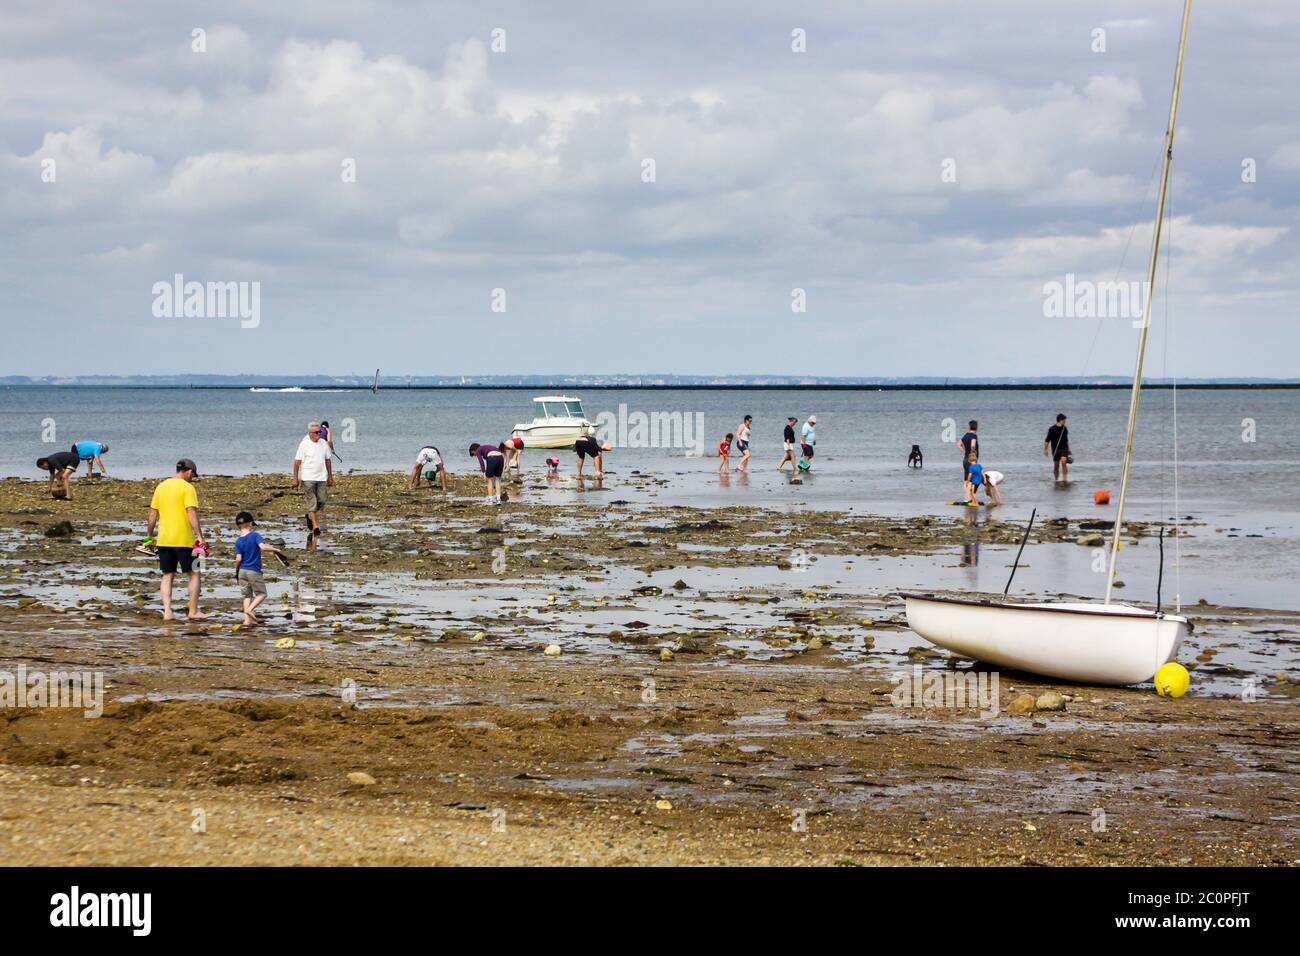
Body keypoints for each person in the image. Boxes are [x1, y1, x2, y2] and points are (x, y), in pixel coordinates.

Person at [146, 459, 207, 620]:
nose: (192, 477)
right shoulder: (188, 488)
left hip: (164, 540)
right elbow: (191, 512)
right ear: (189, 471)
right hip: (185, 540)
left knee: (167, 575)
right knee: (194, 573)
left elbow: (153, 514)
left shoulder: (161, 486)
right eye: (192, 474)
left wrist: (149, 535)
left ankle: (167, 612)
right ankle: (193, 611)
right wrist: (199, 536)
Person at [232, 511, 287, 626]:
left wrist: (236, 572)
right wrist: (275, 549)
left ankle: (247, 621)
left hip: (242, 571)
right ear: (250, 523)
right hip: (253, 570)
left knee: (247, 595)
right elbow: (262, 547)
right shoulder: (255, 536)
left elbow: (238, 558)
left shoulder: (238, 541)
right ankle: (249, 610)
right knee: (262, 594)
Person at [293, 422, 333, 550]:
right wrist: (295, 479)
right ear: (310, 434)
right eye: (316, 433)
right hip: (308, 478)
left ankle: (309, 515)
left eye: (320, 432)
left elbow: (328, 460)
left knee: (321, 501)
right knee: (312, 503)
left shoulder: (323, 444)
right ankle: (315, 527)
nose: (319, 434)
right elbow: (297, 462)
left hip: (321, 477)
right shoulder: (304, 444)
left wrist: (330, 476)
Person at [1044, 413, 1071, 481]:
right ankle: (1056, 480)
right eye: (1064, 420)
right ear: (1060, 420)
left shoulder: (1065, 428)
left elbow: (1066, 439)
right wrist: (1045, 450)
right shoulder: (1052, 429)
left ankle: (1065, 480)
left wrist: (1069, 449)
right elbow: (1047, 440)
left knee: (1063, 461)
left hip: (1064, 448)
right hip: (1055, 449)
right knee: (1056, 465)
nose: (1065, 422)